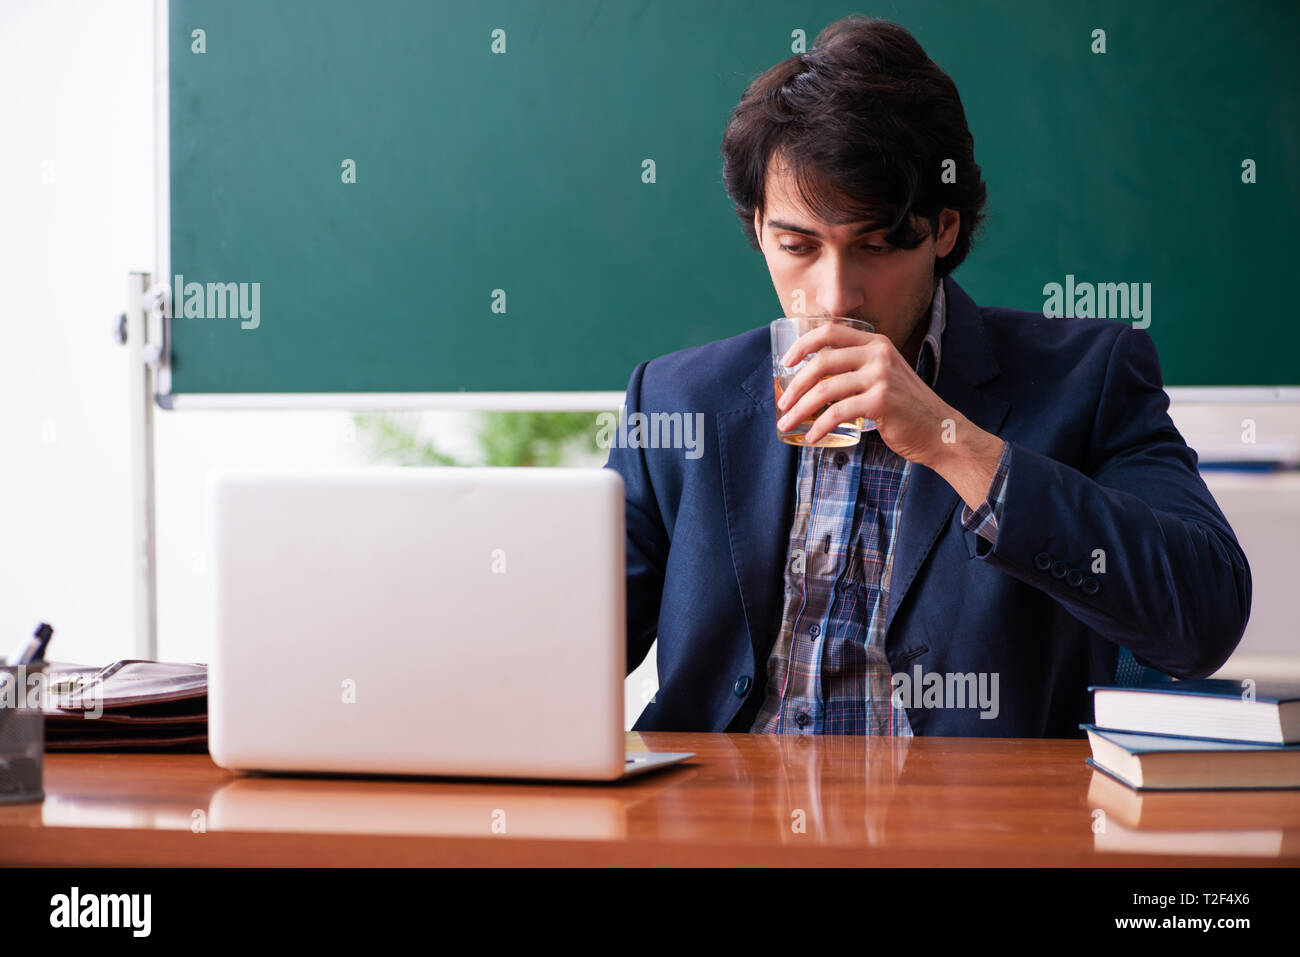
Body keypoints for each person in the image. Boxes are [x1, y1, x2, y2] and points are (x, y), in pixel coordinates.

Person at [602, 16, 1251, 735]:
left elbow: (1204, 619)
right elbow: (572, 652)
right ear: (758, 226)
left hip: (969, 833)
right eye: (797, 245)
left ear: (943, 229)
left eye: (875, 245)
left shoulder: (1089, 379)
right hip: (722, 831)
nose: (834, 295)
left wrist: (954, 444)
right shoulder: (673, 400)